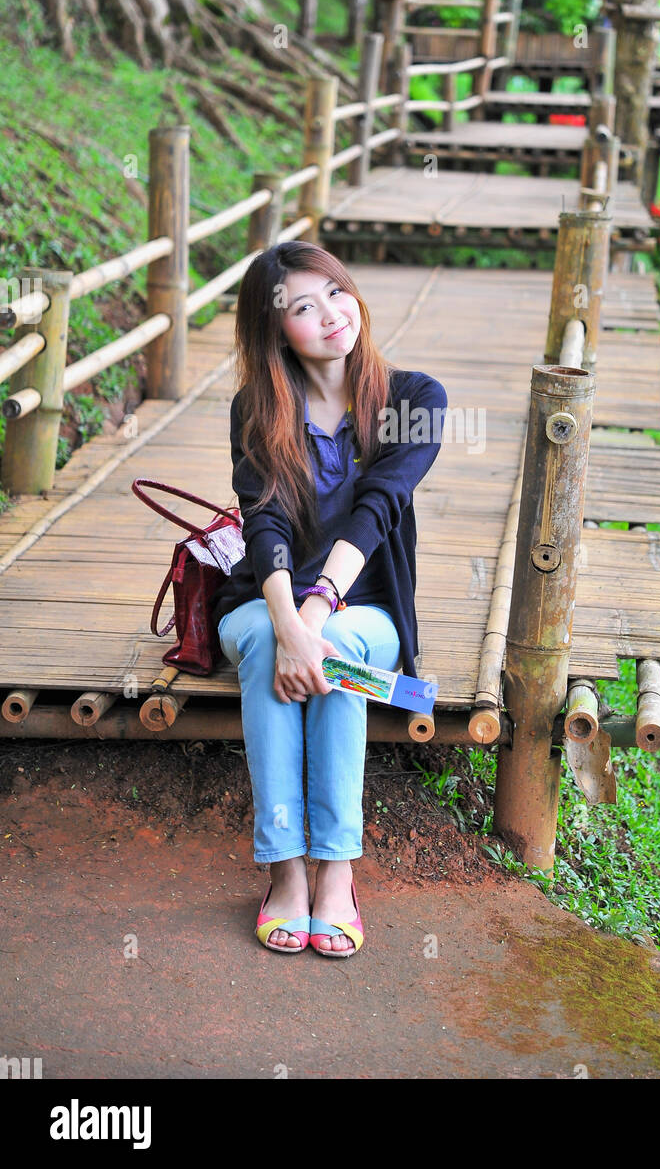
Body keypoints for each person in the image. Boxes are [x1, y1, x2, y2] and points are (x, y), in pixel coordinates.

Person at [211, 240, 447, 958]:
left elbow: (378, 506)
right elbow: (265, 521)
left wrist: (312, 621)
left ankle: (336, 870)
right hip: (265, 598)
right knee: (258, 640)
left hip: (365, 605)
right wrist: (286, 623)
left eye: (336, 293)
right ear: (273, 327)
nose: (330, 314)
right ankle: (286, 872)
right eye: (302, 307)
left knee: (336, 650)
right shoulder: (256, 408)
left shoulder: (414, 398)